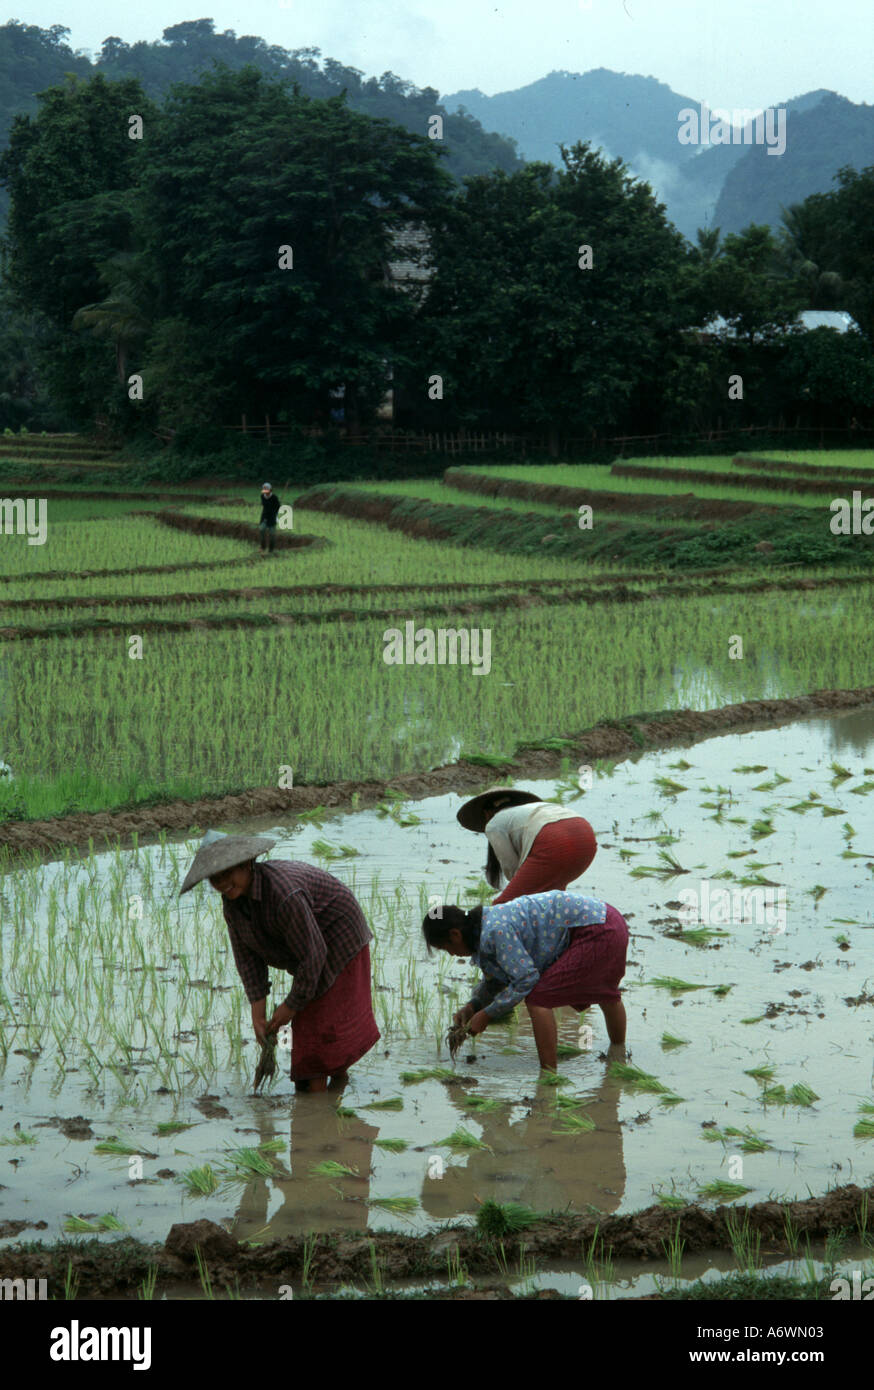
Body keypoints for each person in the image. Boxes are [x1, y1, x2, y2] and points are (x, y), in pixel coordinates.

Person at [180, 830, 379, 1092]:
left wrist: (289, 1007)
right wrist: (258, 1015)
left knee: (313, 1034)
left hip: (339, 937)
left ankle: (317, 1110)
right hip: (310, 947)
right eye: (214, 878)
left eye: (228, 873)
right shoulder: (233, 904)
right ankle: (333, 1087)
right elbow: (248, 959)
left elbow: (314, 955)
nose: (222, 883)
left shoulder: (284, 895)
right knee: (315, 1023)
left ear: (247, 864)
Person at [423, 891, 628, 1071]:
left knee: (539, 999)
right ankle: (618, 1052)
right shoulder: (483, 927)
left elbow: (526, 979)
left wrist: (487, 1014)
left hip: (597, 929)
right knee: (604, 992)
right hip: (609, 919)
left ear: (455, 934)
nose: (450, 954)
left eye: (445, 948)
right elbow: (496, 981)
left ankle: (548, 1076)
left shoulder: (495, 931)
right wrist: (473, 1006)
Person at [456, 786, 597, 903]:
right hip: (586, 836)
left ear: (487, 814)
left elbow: (511, 867)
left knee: (504, 905)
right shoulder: (530, 811)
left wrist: (517, 888)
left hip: (554, 840)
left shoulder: (494, 824)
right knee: (550, 901)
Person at [259, 483, 280, 554]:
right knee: (261, 529)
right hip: (264, 517)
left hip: (272, 518)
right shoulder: (262, 496)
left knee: (272, 534)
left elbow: (278, 507)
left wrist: (276, 515)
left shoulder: (274, 498)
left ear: (270, 490)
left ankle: (271, 550)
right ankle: (263, 547)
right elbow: (265, 506)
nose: (266, 493)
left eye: (267, 491)